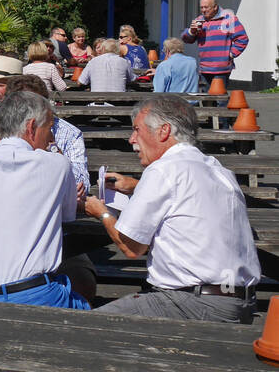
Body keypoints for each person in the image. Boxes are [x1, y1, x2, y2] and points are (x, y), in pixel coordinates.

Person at [85, 96, 260, 323]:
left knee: (84, 327)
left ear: (163, 131)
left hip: (194, 302)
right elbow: (191, 200)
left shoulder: (164, 169)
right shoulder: (218, 169)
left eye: (137, 130)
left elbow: (131, 247)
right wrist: (137, 187)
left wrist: (102, 212)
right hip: (237, 298)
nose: (131, 139)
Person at [0, 91, 91, 309]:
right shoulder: (58, 165)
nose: (51, 136)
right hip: (35, 296)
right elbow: (68, 214)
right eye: (48, 127)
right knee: (83, 281)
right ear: (31, 127)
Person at [182, 0, 248, 90]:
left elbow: (242, 38)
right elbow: (186, 39)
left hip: (221, 68)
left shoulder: (228, 19)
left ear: (215, 7)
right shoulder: (200, 20)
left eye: (206, 7)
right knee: (205, 99)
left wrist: (230, 54)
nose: (204, 10)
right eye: (201, 7)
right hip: (204, 67)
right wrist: (191, 32)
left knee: (219, 98)